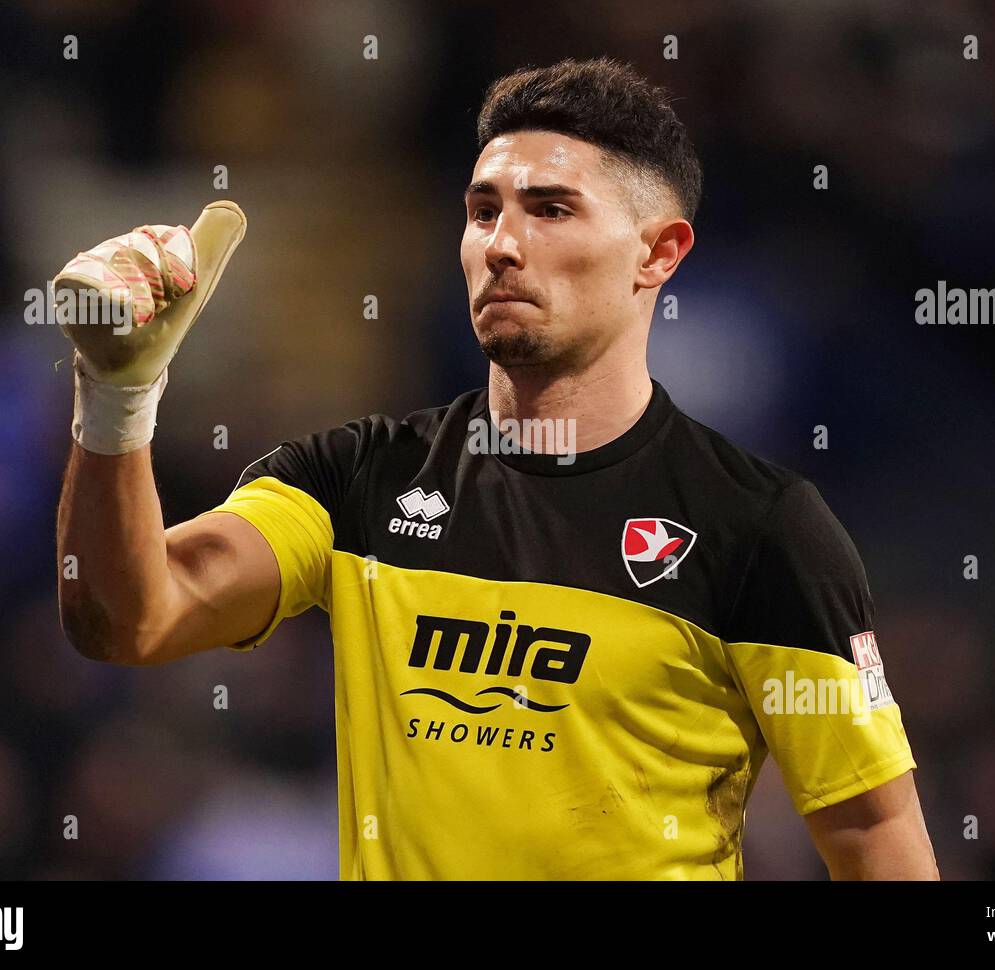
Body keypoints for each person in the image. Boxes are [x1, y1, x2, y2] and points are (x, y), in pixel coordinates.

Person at [55, 56, 938, 880]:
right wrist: (117, 401)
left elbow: (873, 836)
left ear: (658, 253)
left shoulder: (759, 527)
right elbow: (127, 621)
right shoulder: (357, 480)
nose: (501, 245)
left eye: (551, 209)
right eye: (483, 211)